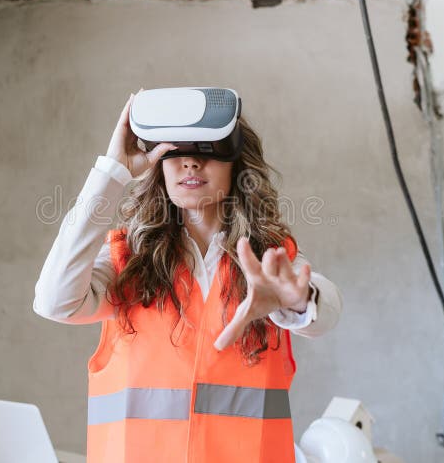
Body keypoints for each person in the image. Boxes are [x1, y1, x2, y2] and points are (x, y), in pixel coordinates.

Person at [33, 89, 343, 462]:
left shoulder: (267, 263)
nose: (191, 163)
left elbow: (324, 310)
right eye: (175, 151)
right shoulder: (126, 260)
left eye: (208, 150)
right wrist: (112, 172)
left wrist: (297, 300)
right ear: (157, 165)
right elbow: (55, 301)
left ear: (236, 165)